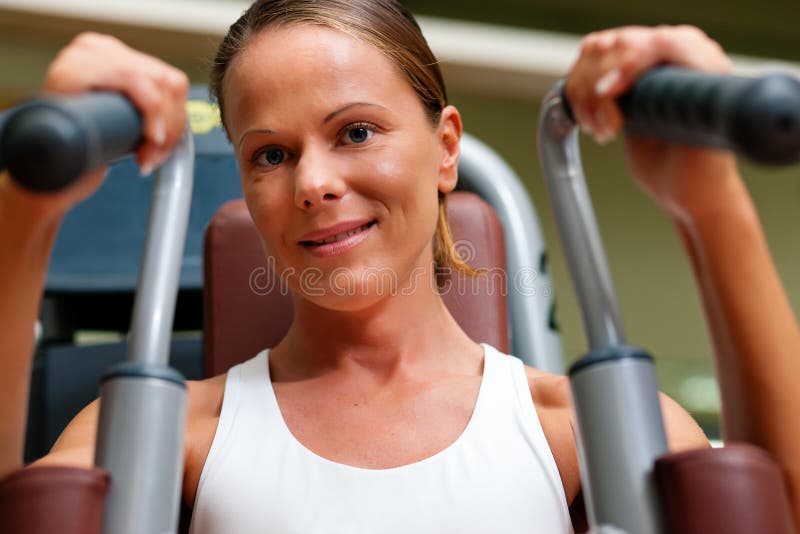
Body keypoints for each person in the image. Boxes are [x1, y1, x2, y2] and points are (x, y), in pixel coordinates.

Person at [2, 1, 797, 532]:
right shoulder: (170, 435)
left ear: (446, 149)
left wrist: (710, 201)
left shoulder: (571, 426)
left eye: (355, 132)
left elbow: (781, 512)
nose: (313, 182)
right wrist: (25, 208)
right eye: (271, 154)